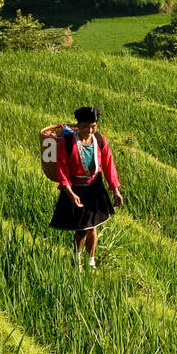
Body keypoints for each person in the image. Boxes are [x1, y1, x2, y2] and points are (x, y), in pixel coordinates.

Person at [49, 106, 124, 269]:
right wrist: (69, 192)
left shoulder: (100, 139)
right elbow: (61, 168)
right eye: (85, 127)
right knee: (82, 229)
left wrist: (115, 190)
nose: (89, 130)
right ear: (78, 126)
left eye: (93, 127)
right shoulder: (67, 143)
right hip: (77, 189)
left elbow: (108, 164)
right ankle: (77, 258)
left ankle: (91, 260)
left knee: (93, 227)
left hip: (95, 188)